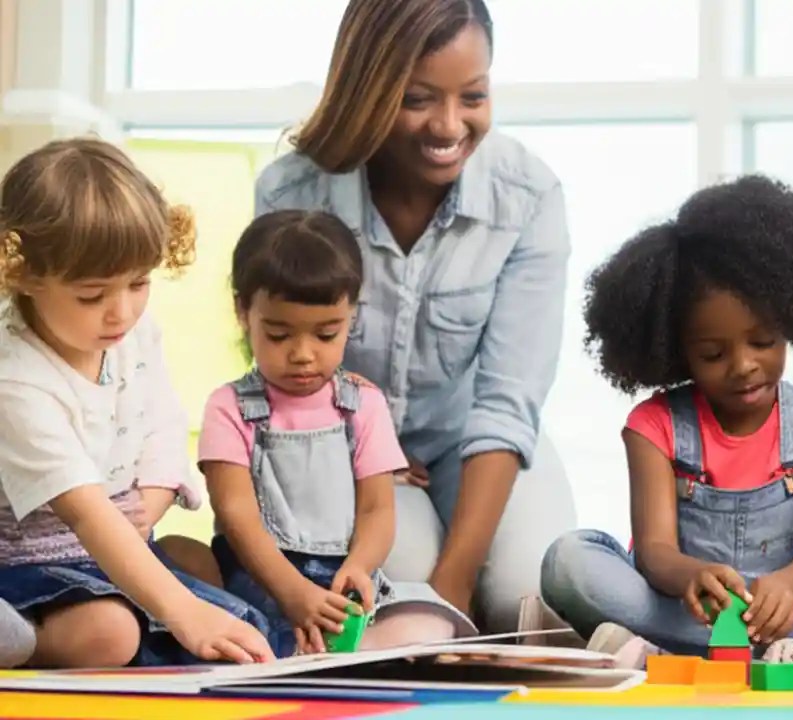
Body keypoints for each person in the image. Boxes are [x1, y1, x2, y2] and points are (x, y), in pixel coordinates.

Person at [540, 175, 793, 686]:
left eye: (764, 341)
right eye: (713, 354)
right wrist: (691, 575)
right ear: (676, 350)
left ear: (791, 320)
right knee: (569, 562)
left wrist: (788, 588)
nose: (744, 365)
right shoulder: (654, 425)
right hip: (686, 609)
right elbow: (655, 551)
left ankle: (662, 658)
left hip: (784, 616)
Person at [253, 0, 576, 636]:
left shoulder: (528, 197)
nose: (450, 124)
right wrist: (363, 445)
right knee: (403, 588)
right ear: (368, 88)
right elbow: (283, 359)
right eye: (419, 98)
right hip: (342, 443)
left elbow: (508, 400)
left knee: (524, 599)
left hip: (476, 443)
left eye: (473, 96)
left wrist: (458, 578)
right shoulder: (291, 193)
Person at [0, 137, 274, 668]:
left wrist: (153, 494)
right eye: (91, 295)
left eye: (139, 283)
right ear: (23, 273)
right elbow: (84, 513)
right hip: (29, 565)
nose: (120, 312)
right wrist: (184, 613)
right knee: (112, 633)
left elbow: (162, 420)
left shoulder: (132, 332)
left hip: (119, 545)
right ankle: (21, 640)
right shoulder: (15, 379)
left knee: (236, 615)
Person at [198, 210, 476, 657]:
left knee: (429, 619)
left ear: (351, 314)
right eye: (278, 334)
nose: (303, 355)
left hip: (343, 581)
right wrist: (292, 594)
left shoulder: (362, 404)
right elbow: (237, 518)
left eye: (327, 334)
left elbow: (377, 509)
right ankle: (283, 645)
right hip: (261, 578)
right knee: (217, 604)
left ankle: (325, 647)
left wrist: (360, 568)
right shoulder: (228, 407)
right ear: (242, 312)